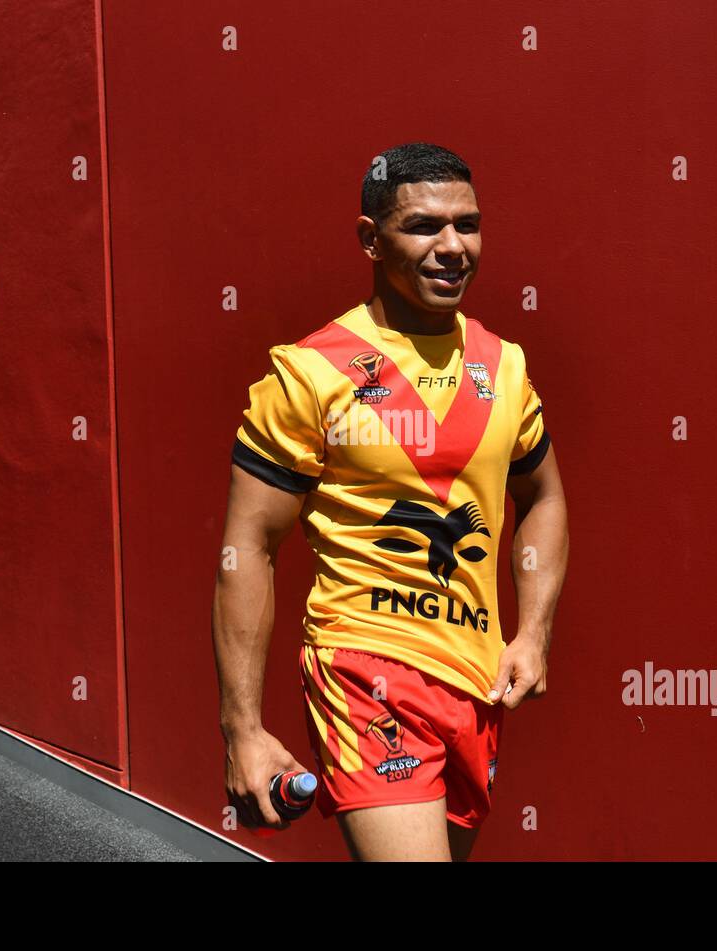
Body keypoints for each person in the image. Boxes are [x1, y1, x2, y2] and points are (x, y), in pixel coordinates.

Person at [212, 142, 569, 861]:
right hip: (364, 670)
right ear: (371, 240)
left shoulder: (505, 366)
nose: (451, 247)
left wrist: (533, 630)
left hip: (474, 682)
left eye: (467, 225)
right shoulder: (310, 372)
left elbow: (545, 497)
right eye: (423, 227)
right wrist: (242, 729)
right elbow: (246, 546)